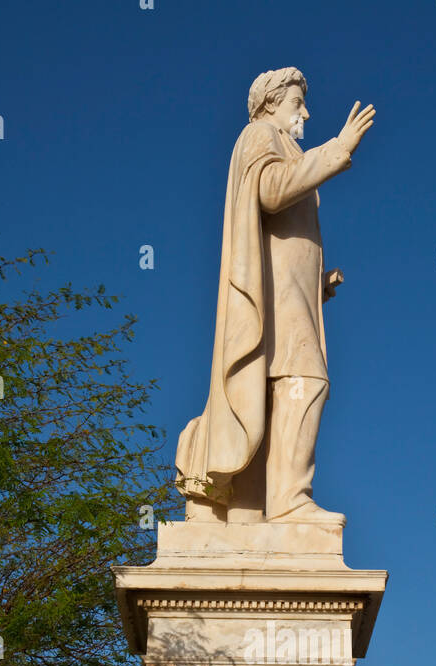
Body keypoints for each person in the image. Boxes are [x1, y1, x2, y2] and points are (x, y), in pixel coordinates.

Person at [176, 68, 375, 525]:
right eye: (297, 102)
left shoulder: (282, 143)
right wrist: (338, 148)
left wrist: (317, 284)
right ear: (269, 104)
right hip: (277, 303)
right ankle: (288, 500)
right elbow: (270, 191)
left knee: (285, 386)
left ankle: (259, 505)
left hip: (288, 298)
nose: (305, 111)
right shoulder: (261, 134)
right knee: (304, 382)